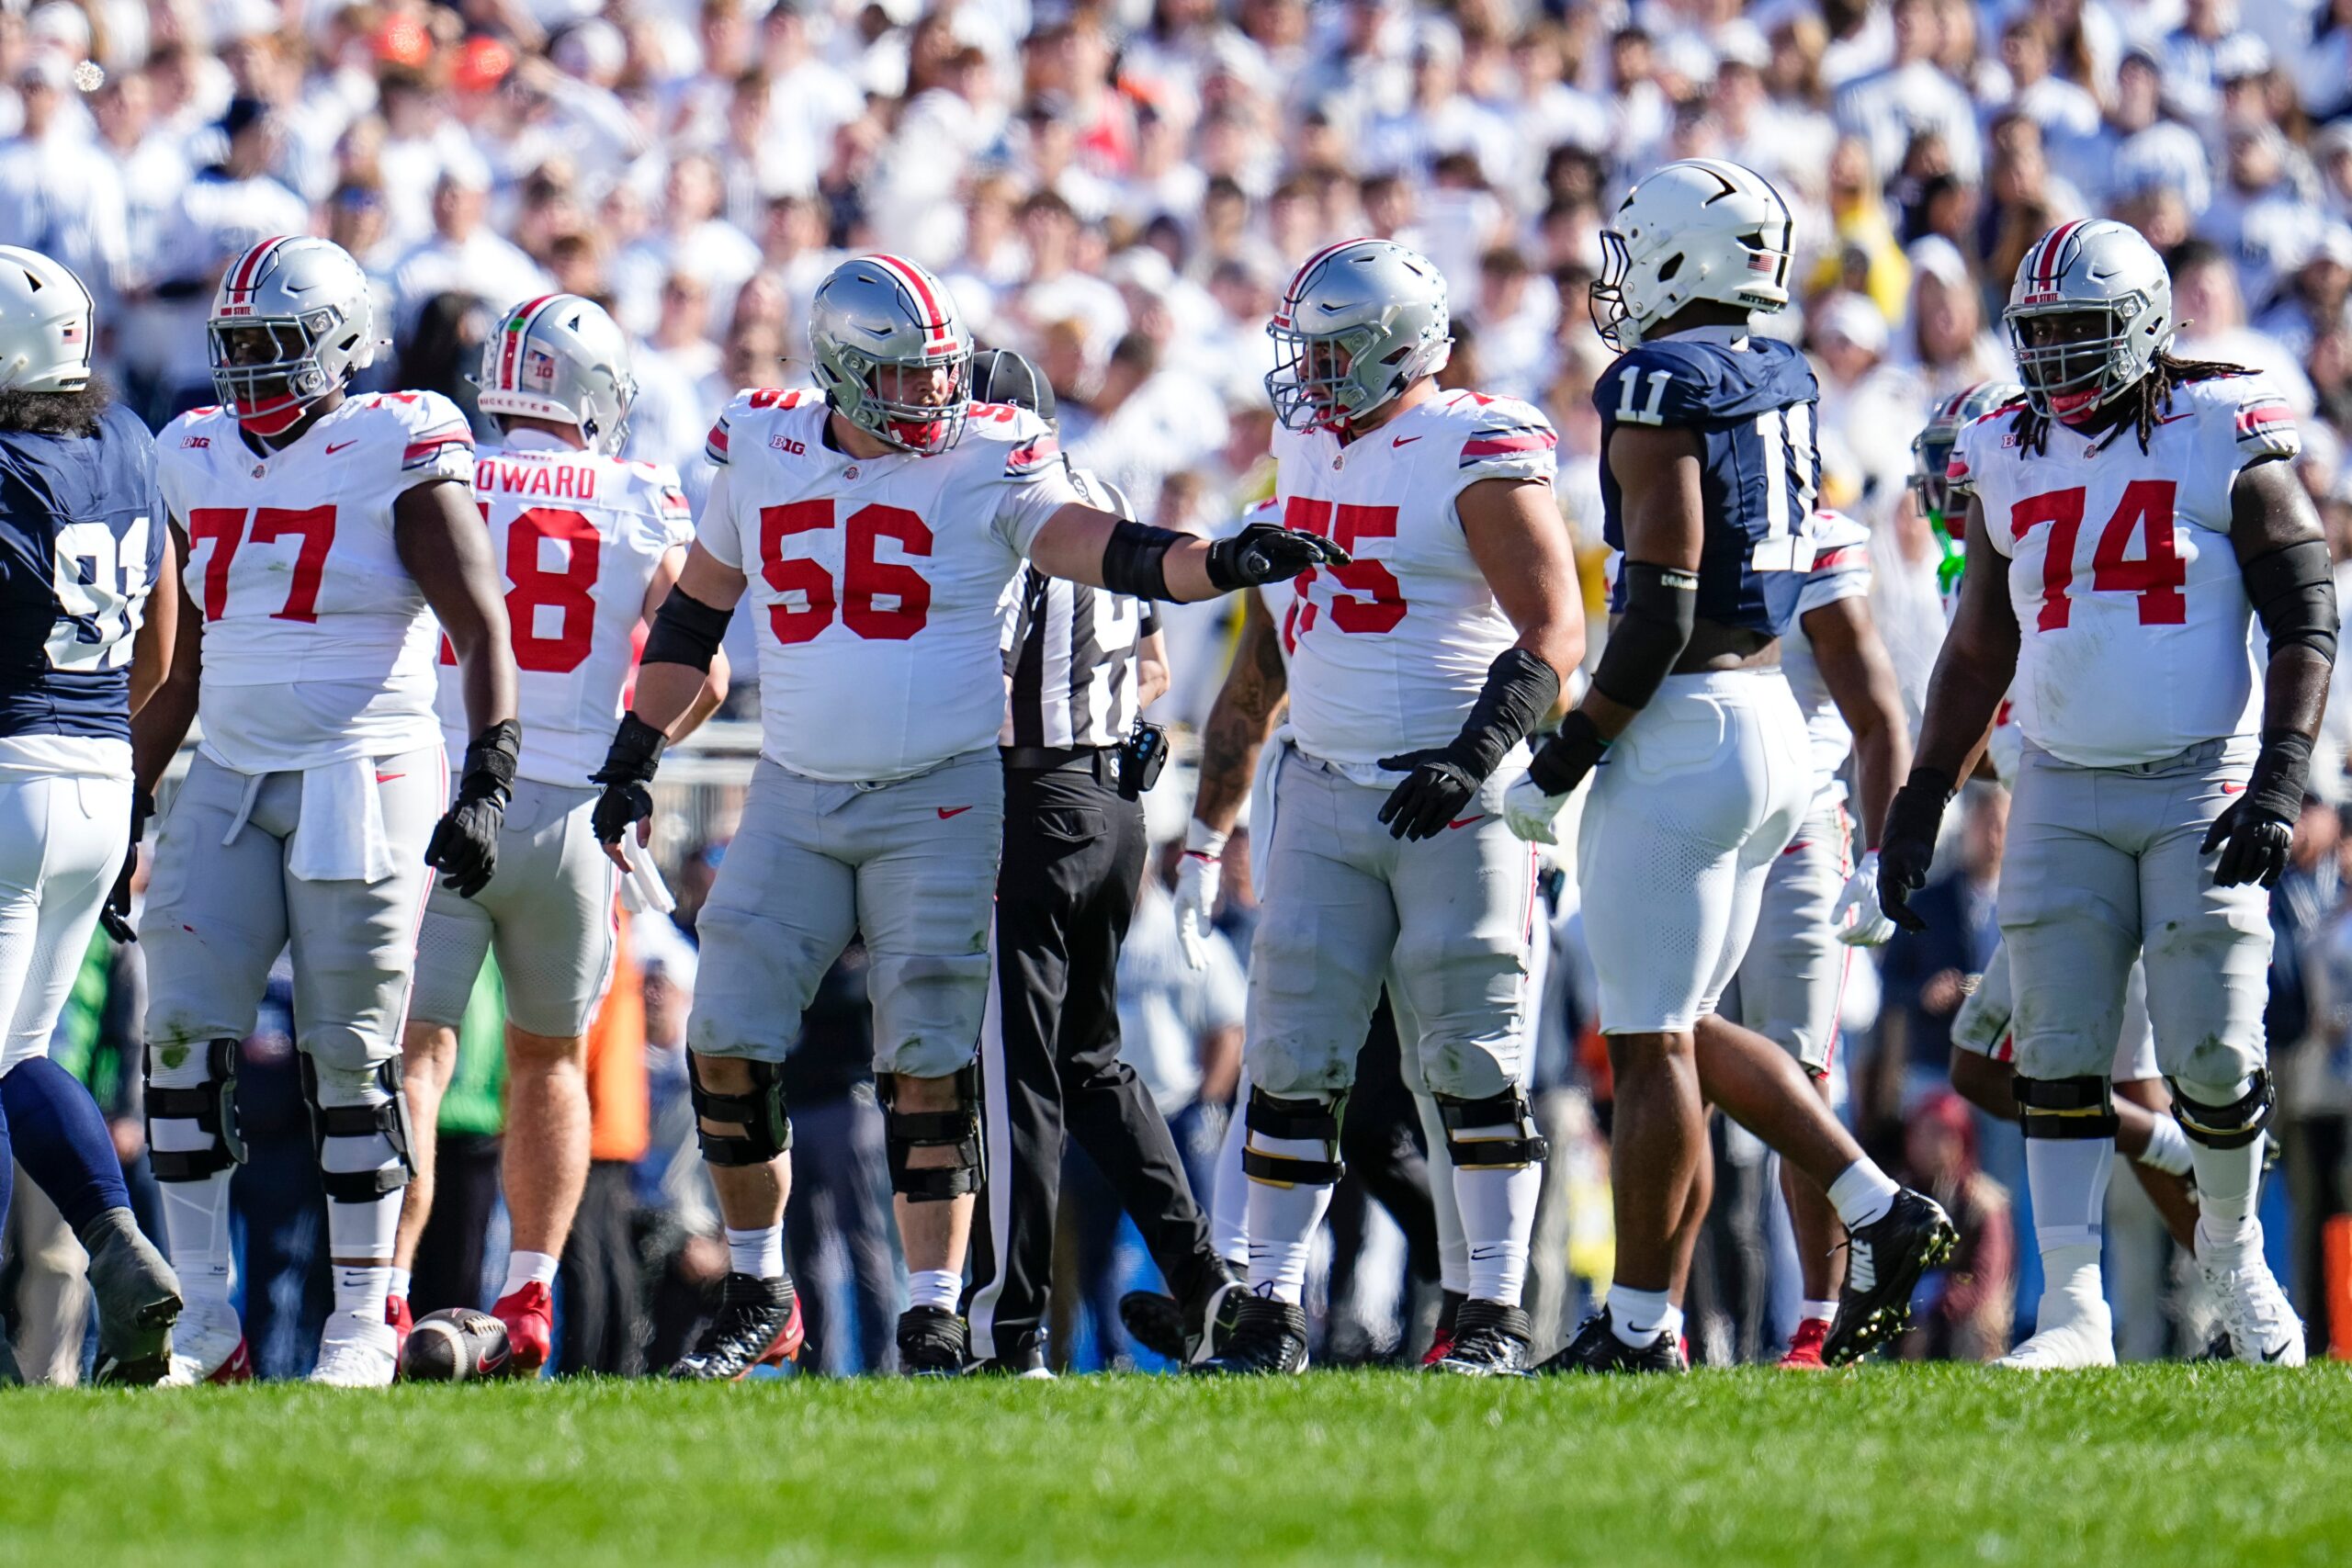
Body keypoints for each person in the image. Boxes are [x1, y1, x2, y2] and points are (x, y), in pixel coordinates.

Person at [588, 253, 1341, 1379]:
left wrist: (1218, 561)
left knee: (949, 1055)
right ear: (840, 375)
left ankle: (958, 1315)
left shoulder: (988, 457)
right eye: (903, 380)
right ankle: (766, 1282)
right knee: (734, 1037)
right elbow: (698, 609)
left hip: (955, 788)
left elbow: (1107, 549)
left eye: (941, 376)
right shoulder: (761, 443)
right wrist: (634, 754)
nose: (932, 401)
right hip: (825, 789)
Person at [1502, 159, 1955, 1373]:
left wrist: (1568, 749)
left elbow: (1659, 599)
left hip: (1687, 718)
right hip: (1766, 719)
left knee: (1656, 1043)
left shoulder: (1656, 379)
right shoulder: (1789, 373)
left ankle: (1867, 1209)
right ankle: (1648, 1324)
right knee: (1682, 1034)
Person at [1882, 218, 2327, 1369]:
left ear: (2139, 324)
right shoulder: (2001, 441)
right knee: (2059, 1050)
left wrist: (2283, 771)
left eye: (2079, 333)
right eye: (2038, 336)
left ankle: (2234, 1264)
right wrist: (1925, 790)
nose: (2054, 360)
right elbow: (1978, 645)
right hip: (2062, 783)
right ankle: (2071, 1309)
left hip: (2201, 778)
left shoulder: (2223, 421)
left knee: (2218, 1058)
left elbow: (2302, 609)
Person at [1171, 236, 1585, 1378]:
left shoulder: (1474, 441)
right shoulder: (1302, 436)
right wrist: (1215, 818)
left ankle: (1492, 1314)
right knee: (1292, 1056)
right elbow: (1265, 647)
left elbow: (1556, 632)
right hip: (1322, 779)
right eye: (1301, 345)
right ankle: (1266, 1309)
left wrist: (1472, 756)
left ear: (1396, 348)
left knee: (1473, 1058)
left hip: (1454, 795)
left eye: (1331, 349)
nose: (1306, 370)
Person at [132, 235, 520, 1386]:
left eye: (273, 345)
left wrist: (490, 771)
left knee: (351, 1061)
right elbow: (186, 669)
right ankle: (207, 1315)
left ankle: (362, 1318)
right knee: (177, 1039)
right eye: (234, 347)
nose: (248, 370)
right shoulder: (192, 449)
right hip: (232, 773)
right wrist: (130, 799)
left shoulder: (394, 438)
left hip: (366, 773)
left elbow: (480, 624)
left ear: (343, 343)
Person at [390, 294, 726, 1375]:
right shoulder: (637, 492)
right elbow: (706, 673)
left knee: (417, 1057)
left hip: (443, 789)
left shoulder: (445, 468)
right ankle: (528, 1295)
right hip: (574, 810)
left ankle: (382, 1299)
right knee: (550, 1060)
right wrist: (635, 752)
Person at [957, 347, 1239, 1378]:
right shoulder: (1104, 492)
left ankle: (1009, 1329)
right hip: (1114, 801)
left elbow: (982, 678)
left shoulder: (998, 506)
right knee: (1092, 1064)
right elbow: (1155, 665)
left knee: (1017, 1073)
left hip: (1030, 795)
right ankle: (1206, 1283)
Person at [1909, 384, 2207, 1269]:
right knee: (2091, 1082)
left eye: (1953, 470)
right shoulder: (1973, 572)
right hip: (2069, 842)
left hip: (2101, 839)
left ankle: (2229, 1274)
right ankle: (2226, 1267)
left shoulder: (2044, 566)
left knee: (2068, 1075)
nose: (1943, 491)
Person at [0, 244, 184, 1383]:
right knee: (21, 1049)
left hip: (12, 767)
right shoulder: (130, 442)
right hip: (101, 771)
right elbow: (165, 638)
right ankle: (118, 1244)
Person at [1718, 502, 1915, 1369]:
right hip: (1687, 838)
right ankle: (1653, 1315)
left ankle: (1817, 1316)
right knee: (1662, 1059)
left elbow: (1876, 714)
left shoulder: (1812, 543)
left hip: (1798, 831)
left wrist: (1884, 853)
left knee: (1799, 1071)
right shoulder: (1649, 521)